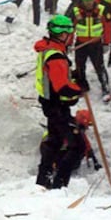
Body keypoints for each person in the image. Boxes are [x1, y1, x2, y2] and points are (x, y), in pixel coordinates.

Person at [34, 15, 84, 188]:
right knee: (77, 146)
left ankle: (43, 180)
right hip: (57, 106)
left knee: (54, 142)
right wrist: (79, 89)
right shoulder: (56, 57)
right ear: (62, 34)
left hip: (50, 104)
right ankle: (59, 185)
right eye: (68, 33)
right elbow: (62, 87)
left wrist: (72, 77)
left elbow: (59, 78)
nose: (70, 36)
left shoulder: (49, 49)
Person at [70, 0, 111, 100]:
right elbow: (70, 29)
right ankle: (82, 85)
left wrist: (106, 43)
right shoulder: (75, 11)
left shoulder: (102, 10)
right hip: (80, 44)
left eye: (90, 0)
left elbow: (107, 28)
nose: (88, 3)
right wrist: (67, 44)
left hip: (96, 44)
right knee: (80, 66)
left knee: (99, 66)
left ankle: (105, 87)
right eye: (86, 0)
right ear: (82, 0)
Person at [41, 109, 101, 189]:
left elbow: (84, 141)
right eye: (87, 125)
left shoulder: (76, 127)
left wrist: (91, 154)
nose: (87, 128)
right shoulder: (69, 127)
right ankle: (52, 180)